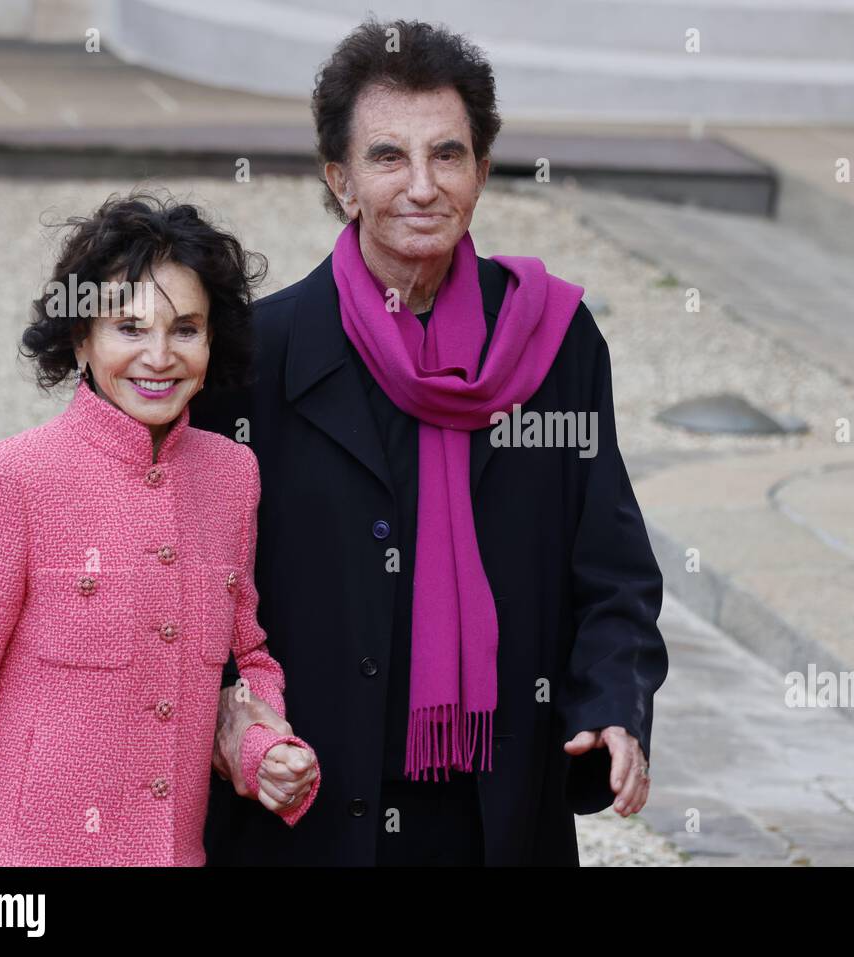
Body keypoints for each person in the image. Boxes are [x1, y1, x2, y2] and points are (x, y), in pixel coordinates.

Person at [192, 17, 669, 866]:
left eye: (447, 155)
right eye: (387, 157)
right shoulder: (251, 359)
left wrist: (613, 701)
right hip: (307, 813)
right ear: (339, 180)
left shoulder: (555, 343)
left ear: (482, 172)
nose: (422, 186)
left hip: (497, 816)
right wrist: (233, 716)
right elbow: (186, 586)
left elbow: (613, 570)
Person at [0, 192, 320, 866]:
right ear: (80, 338)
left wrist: (264, 747)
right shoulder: (9, 478)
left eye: (185, 328)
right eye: (129, 327)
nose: (159, 355)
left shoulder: (232, 475)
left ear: (213, 340)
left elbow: (248, 660)